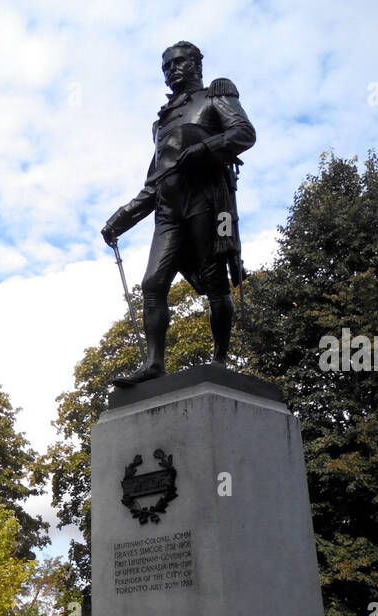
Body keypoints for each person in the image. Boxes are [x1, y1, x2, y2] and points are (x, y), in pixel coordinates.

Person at [101, 41, 255, 385]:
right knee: (153, 283)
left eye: (179, 63)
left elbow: (244, 133)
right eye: (167, 66)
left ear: (197, 64)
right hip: (169, 212)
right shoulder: (161, 123)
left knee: (217, 285)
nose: (172, 70)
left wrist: (204, 148)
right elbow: (155, 182)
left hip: (206, 203)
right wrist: (120, 219)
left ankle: (220, 358)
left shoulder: (215, 97)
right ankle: (155, 363)